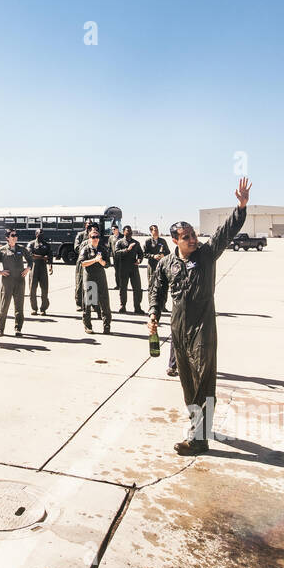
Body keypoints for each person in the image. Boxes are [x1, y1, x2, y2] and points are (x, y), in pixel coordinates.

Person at [148, 178, 252, 456]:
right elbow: (156, 290)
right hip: (178, 329)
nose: (193, 239)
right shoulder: (167, 264)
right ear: (175, 241)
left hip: (203, 328)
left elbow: (224, 232)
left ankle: (199, 439)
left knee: (204, 382)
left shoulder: (206, 255)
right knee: (187, 384)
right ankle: (199, 427)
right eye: (187, 237)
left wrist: (240, 208)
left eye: (193, 234)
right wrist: (154, 313)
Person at [0, 228, 31, 337]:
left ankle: (18, 328)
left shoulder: (21, 249)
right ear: (7, 238)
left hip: (19, 281)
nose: (15, 237)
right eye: (13, 235)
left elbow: (30, 259)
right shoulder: (2, 250)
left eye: (16, 235)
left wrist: (28, 268)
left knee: (19, 307)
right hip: (7, 281)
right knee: (3, 307)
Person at [79, 228, 111, 334]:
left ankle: (106, 326)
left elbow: (107, 264)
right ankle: (87, 326)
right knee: (88, 303)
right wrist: (94, 260)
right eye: (93, 237)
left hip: (101, 277)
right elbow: (82, 263)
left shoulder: (103, 249)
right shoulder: (86, 249)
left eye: (97, 237)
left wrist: (101, 261)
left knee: (104, 302)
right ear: (89, 238)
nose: (95, 239)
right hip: (90, 277)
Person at [114, 225, 144, 313]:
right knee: (123, 288)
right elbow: (116, 253)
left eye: (130, 231)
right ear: (123, 232)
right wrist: (127, 249)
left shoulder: (136, 243)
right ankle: (123, 306)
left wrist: (139, 260)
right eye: (127, 231)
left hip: (134, 267)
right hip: (123, 268)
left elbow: (141, 254)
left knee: (137, 288)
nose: (129, 233)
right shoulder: (119, 242)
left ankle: (137, 307)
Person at [26, 228, 54, 315]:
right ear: (36, 234)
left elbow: (50, 256)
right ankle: (34, 308)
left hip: (43, 268)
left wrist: (50, 266)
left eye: (42, 233)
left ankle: (43, 308)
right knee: (32, 289)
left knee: (44, 289)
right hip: (34, 268)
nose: (41, 234)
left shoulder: (46, 245)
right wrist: (42, 257)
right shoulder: (31, 244)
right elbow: (30, 255)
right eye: (39, 233)